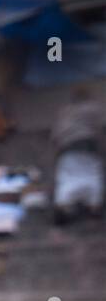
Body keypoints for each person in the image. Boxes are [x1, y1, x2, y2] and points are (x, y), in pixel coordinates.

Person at [51, 87, 103, 223]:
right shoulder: (94, 108)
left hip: (67, 148)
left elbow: (55, 136)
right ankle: (93, 205)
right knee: (92, 175)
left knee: (67, 177)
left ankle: (64, 204)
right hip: (88, 146)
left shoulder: (65, 112)